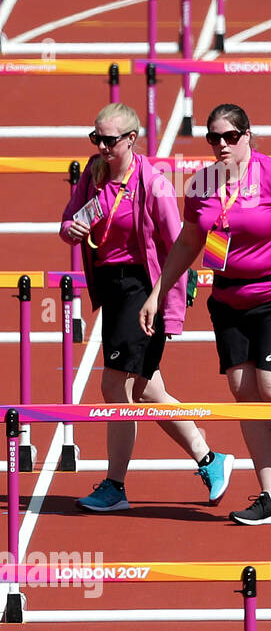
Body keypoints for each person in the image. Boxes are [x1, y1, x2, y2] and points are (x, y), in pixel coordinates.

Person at [139, 103, 271, 526]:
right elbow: (188, 242)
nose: (222, 144)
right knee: (245, 390)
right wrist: (158, 291)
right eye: (214, 138)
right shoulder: (202, 184)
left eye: (230, 136)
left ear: (247, 136)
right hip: (230, 300)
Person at [59, 103, 234, 512]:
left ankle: (115, 486)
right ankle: (210, 458)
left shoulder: (153, 184)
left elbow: (181, 243)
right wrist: (73, 229)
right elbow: (67, 223)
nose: (101, 146)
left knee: (114, 387)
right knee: (143, 386)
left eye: (109, 140)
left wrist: (164, 296)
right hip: (111, 286)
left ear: (131, 139)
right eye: (95, 138)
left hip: (143, 286)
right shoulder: (93, 172)